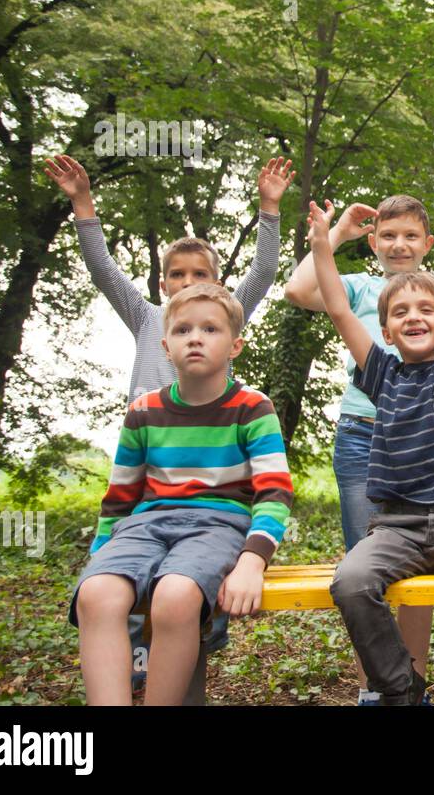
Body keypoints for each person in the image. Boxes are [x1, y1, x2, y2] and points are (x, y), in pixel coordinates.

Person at [45, 152, 291, 692]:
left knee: (176, 598)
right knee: (111, 591)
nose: (186, 284)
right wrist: (83, 204)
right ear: (161, 293)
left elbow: (264, 272)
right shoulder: (147, 318)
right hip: (155, 483)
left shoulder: (226, 319)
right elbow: (103, 269)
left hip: (211, 502)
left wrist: (269, 209)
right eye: (176, 276)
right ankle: (137, 662)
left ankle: (173, 677)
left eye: (199, 276)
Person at [284, 191, 434, 703]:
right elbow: (339, 308)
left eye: (428, 309)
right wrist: (325, 240)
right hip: (398, 524)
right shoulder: (379, 375)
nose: (415, 317)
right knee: (351, 580)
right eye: (402, 312)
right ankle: (398, 689)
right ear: (385, 330)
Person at [69, 282, 294, 705]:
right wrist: (102, 548)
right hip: (147, 524)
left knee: (175, 596)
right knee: (96, 593)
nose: (195, 337)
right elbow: (121, 494)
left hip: (218, 524)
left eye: (210, 329)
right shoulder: (143, 411)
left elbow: (274, 492)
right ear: (165, 346)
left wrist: (251, 561)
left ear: (235, 346)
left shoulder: (252, 407)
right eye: (183, 330)